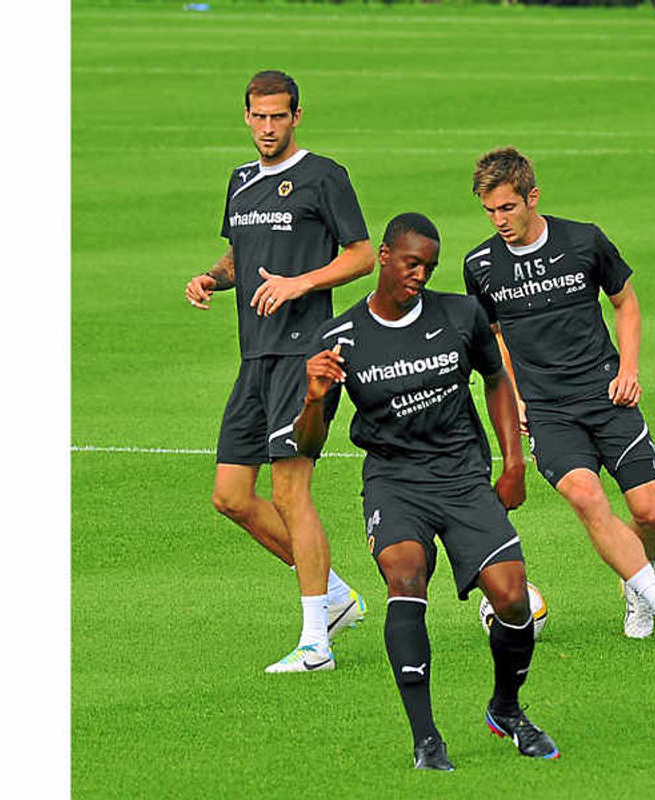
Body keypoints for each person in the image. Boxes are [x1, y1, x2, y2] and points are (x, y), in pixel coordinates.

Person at [294, 213, 559, 770]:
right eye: (412, 263)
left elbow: (496, 379)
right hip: (395, 481)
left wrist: (513, 461)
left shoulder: (460, 314)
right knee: (405, 577)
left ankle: (506, 710)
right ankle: (426, 739)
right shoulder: (340, 339)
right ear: (385, 256)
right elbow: (308, 441)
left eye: (429, 266)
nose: (420, 274)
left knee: (512, 598)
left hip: (463, 476)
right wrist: (315, 397)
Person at [463, 147, 655, 646]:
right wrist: (516, 396)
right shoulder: (481, 265)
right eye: (489, 210)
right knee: (586, 496)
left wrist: (630, 370)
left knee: (651, 513)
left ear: (533, 197)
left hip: (607, 395)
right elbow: (495, 337)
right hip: (548, 411)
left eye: (507, 207)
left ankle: (635, 581)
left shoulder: (583, 241)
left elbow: (625, 303)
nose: (499, 220)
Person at [183, 70, 374, 672]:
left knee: (291, 492)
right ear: (246, 117)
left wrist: (302, 283)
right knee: (231, 496)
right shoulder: (240, 182)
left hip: (304, 357)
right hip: (254, 358)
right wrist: (212, 278)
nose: (268, 127)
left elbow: (363, 255)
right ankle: (336, 596)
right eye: (258, 116)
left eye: (278, 116)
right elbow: (242, 254)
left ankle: (316, 641)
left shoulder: (324, 176)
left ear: (296, 117)